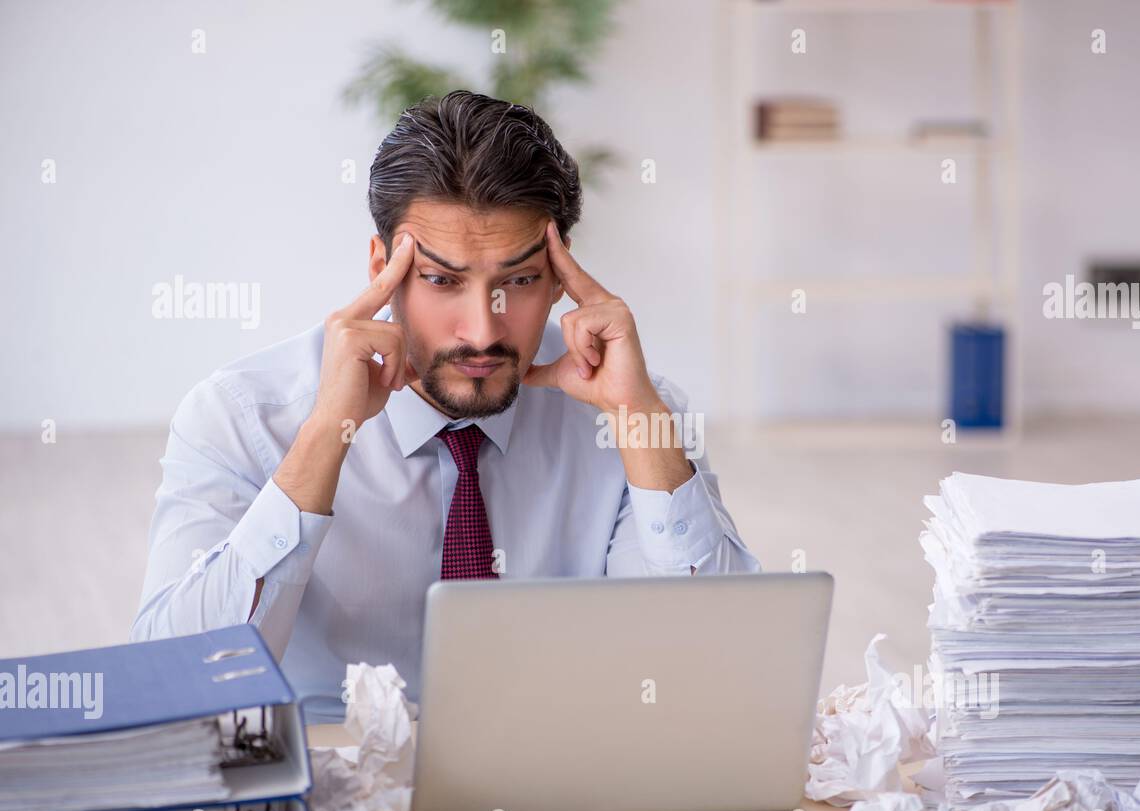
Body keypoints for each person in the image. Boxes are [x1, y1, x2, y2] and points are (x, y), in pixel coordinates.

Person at [131, 90, 760, 723]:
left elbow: (711, 668)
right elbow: (173, 682)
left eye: (518, 281)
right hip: (334, 782)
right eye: (441, 281)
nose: (482, 332)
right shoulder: (241, 414)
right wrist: (325, 435)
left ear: (562, 274)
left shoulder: (630, 411)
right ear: (383, 267)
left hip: (556, 780)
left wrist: (638, 422)